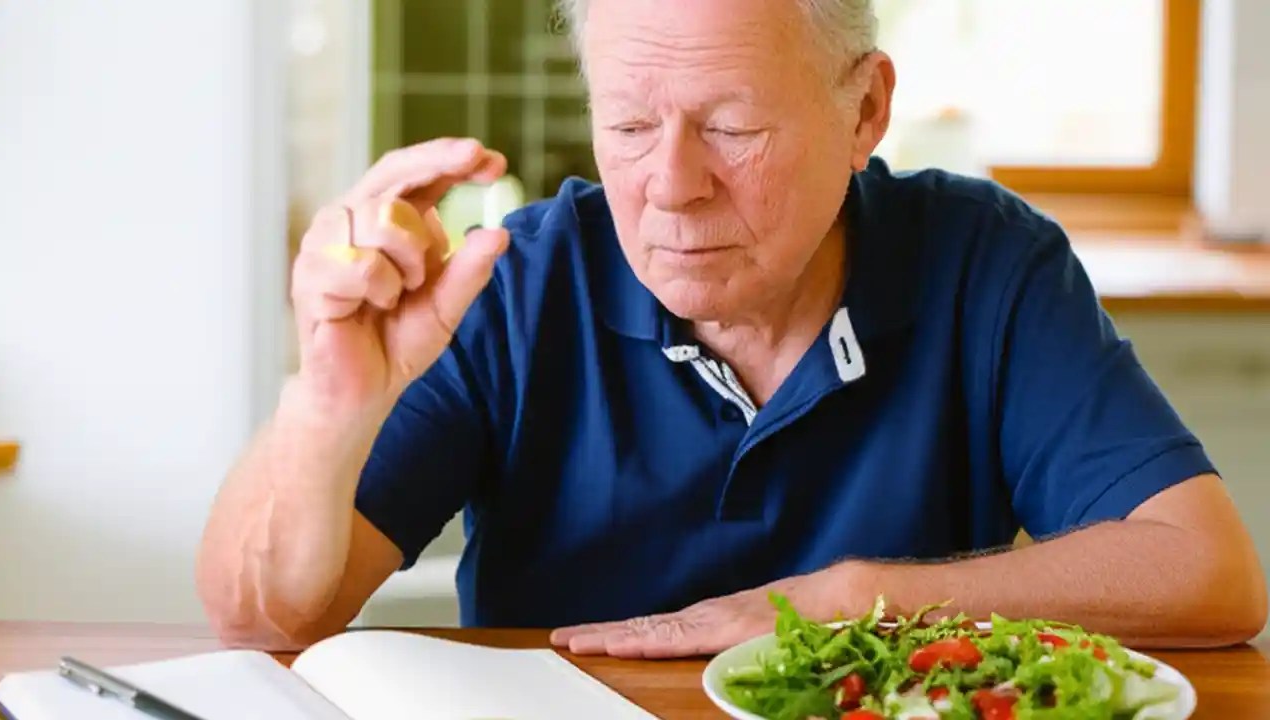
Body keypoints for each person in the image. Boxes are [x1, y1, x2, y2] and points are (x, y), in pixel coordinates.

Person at [196, 0, 1268, 657]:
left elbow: (1206, 573)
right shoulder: (514, 284)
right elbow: (265, 618)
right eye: (627, 124)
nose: (670, 185)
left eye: (731, 125)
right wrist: (326, 406)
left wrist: (858, 599)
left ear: (864, 110)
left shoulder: (983, 261)